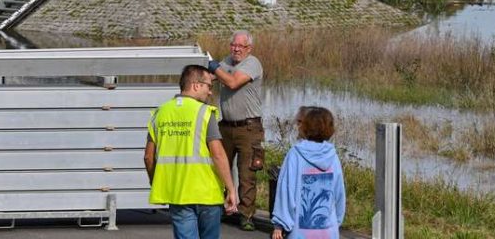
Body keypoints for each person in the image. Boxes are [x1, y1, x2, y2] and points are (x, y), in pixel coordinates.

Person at [145, 65, 239, 239]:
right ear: (196, 85)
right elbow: (217, 155)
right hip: (208, 194)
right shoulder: (204, 112)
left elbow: (148, 157)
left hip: (178, 194)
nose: (210, 92)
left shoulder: (160, 114)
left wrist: (155, 180)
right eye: (209, 86)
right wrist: (231, 189)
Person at [207, 30, 264, 231]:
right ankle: (222, 208)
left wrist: (215, 68)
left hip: (248, 127)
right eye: (233, 45)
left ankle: (246, 216)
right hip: (226, 125)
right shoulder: (226, 62)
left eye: (241, 46)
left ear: (249, 48)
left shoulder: (252, 64)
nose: (236, 49)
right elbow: (211, 77)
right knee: (220, 169)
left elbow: (232, 82)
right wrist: (202, 71)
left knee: (247, 173)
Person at [271, 107, 346, 239]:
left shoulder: (295, 154)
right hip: (328, 231)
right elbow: (339, 192)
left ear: (305, 127)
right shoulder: (332, 155)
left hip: (300, 232)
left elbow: (286, 189)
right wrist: (337, 221)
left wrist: (280, 223)